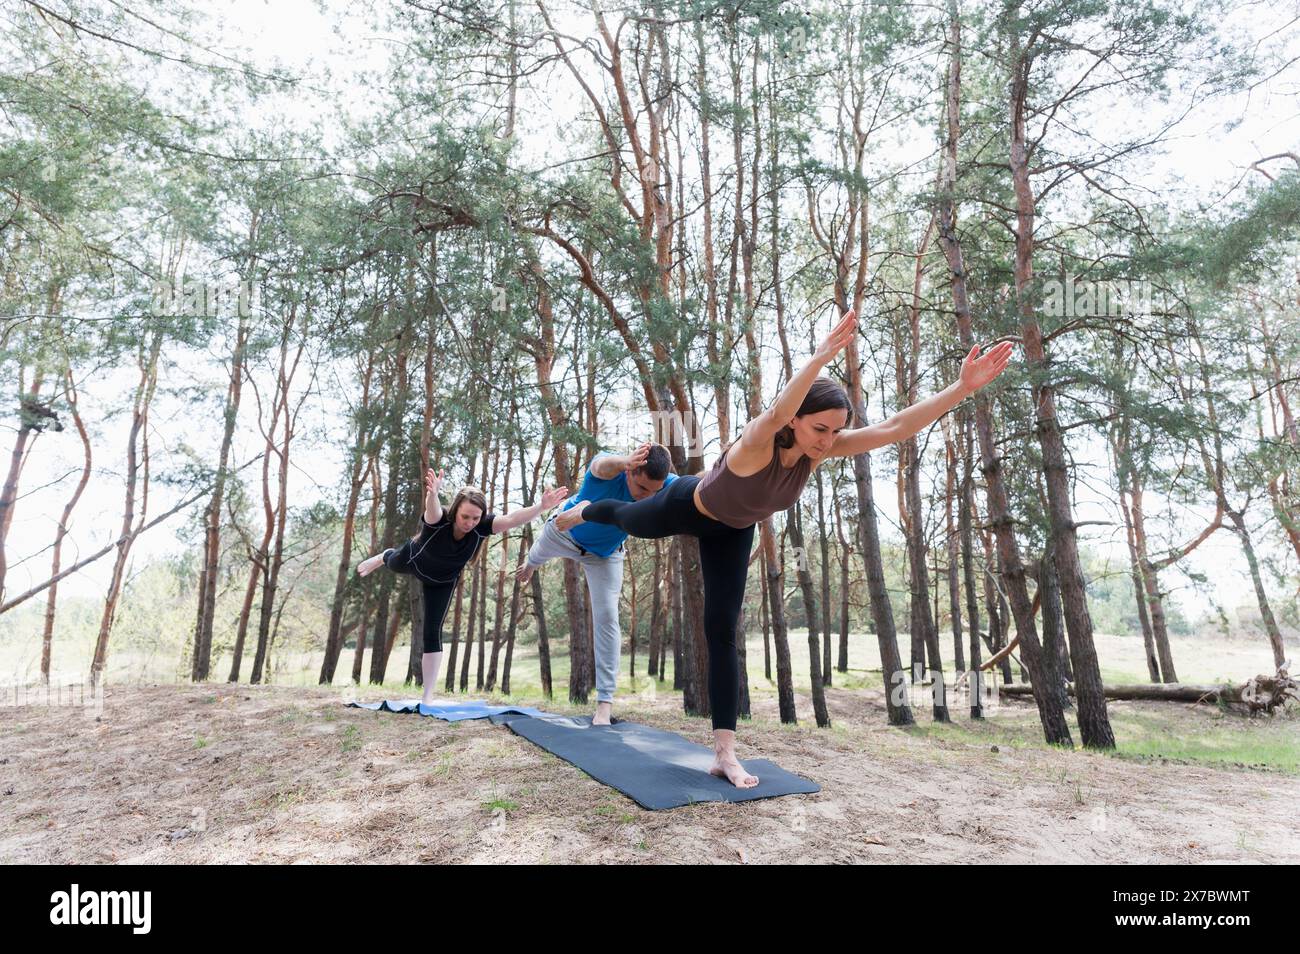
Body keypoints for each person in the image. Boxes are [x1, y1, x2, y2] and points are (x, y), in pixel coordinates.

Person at [557, 308, 1014, 787]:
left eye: (835, 432)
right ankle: (583, 510)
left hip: (734, 530)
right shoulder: (758, 442)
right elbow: (775, 411)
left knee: (721, 630)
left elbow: (894, 428)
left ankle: (725, 753)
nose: (828, 441)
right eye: (820, 429)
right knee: (627, 517)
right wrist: (819, 357)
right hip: (684, 505)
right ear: (797, 420)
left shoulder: (822, 450)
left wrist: (961, 388)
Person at [357, 468, 570, 707]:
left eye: (475, 518)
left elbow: (511, 519)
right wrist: (433, 493)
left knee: (432, 631)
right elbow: (433, 509)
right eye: (465, 517)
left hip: (443, 581)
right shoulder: (439, 521)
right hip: (412, 560)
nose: (470, 523)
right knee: (393, 562)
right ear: (456, 510)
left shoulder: (481, 528)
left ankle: (427, 695)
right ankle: (382, 555)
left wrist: (541, 507)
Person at [516, 442, 676, 725]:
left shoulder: (661, 483)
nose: (646, 499)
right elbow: (599, 466)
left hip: (604, 555)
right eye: (642, 490)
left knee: (607, 618)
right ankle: (529, 566)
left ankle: (604, 705)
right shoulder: (610, 468)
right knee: (537, 553)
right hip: (565, 532)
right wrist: (624, 460)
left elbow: (692, 485)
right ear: (630, 470)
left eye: (654, 492)